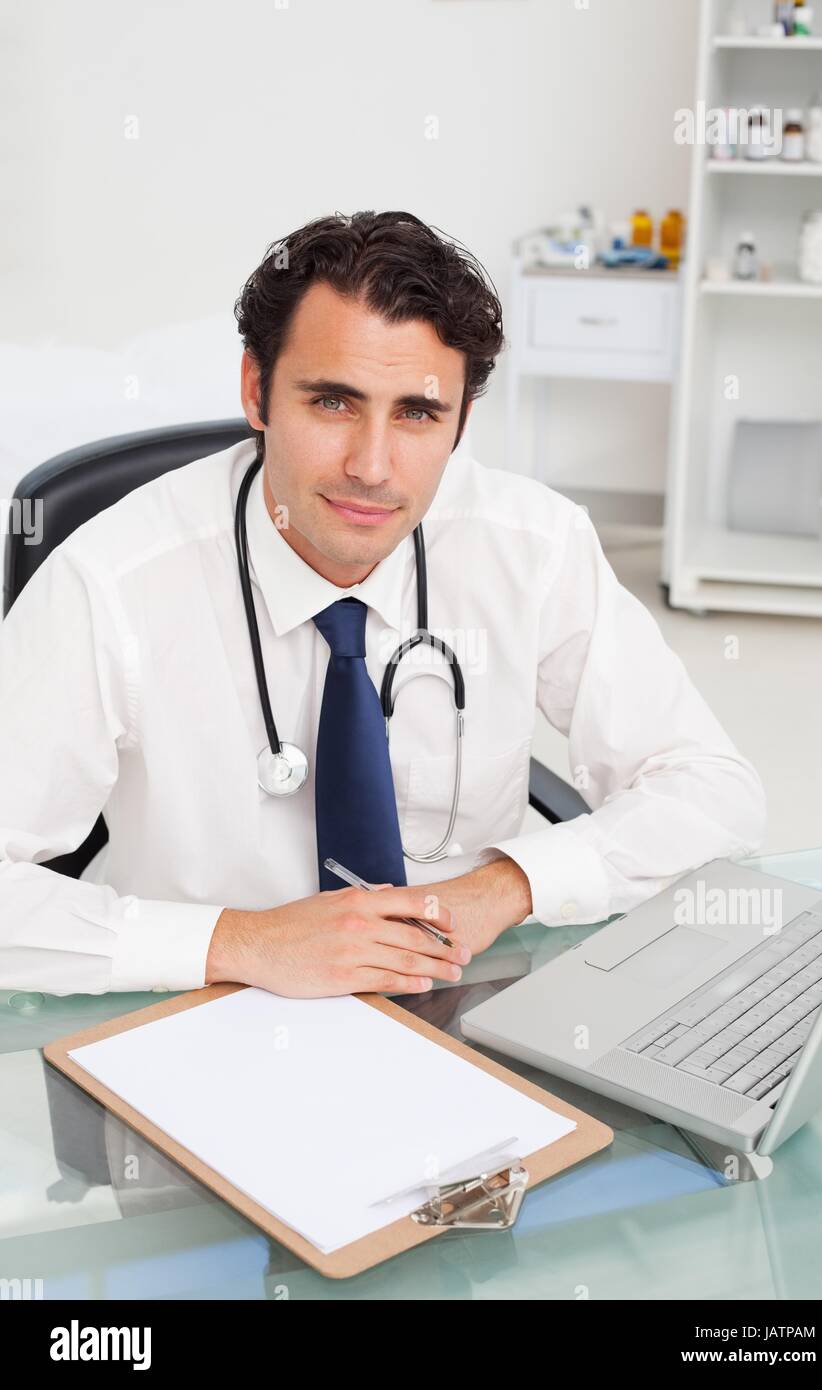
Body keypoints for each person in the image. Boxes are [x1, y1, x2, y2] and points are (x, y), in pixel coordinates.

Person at [0, 210, 766, 999]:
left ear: (462, 420)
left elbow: (716, 789)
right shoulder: (112, 580)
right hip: (194, 1007)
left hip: (449, 998)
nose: (372, 467)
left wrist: (506, 887)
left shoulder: (532, 546)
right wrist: (244, 942)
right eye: (333, 402)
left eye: (417, 413)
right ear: (257, 392)